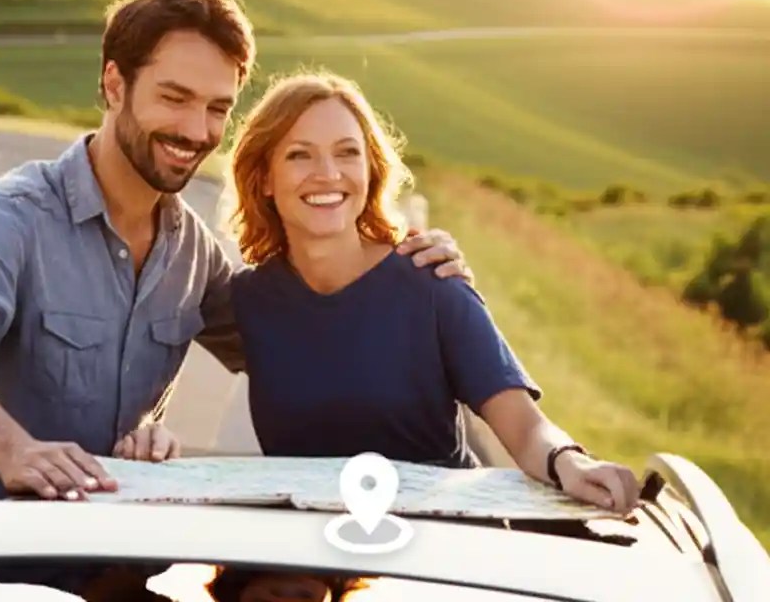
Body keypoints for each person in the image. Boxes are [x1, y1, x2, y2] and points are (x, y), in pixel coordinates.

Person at [0, 0, 472, 505]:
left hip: (120, 549)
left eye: (217, 108)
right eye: (175, 98)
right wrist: (14, 450)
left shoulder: (194, 257)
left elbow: (311, 341)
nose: (197, 131)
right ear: (115, 84)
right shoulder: (14, 216)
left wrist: (409, 278)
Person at [221, 70, 639, 513]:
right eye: (299, 156)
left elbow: (524, 426)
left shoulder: (430, 283)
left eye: (347, 153)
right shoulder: (249, 299)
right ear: (264, 177)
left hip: (436, 546)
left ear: (370, 171)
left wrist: (568, 462)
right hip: (306, 553)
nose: (328, 174)